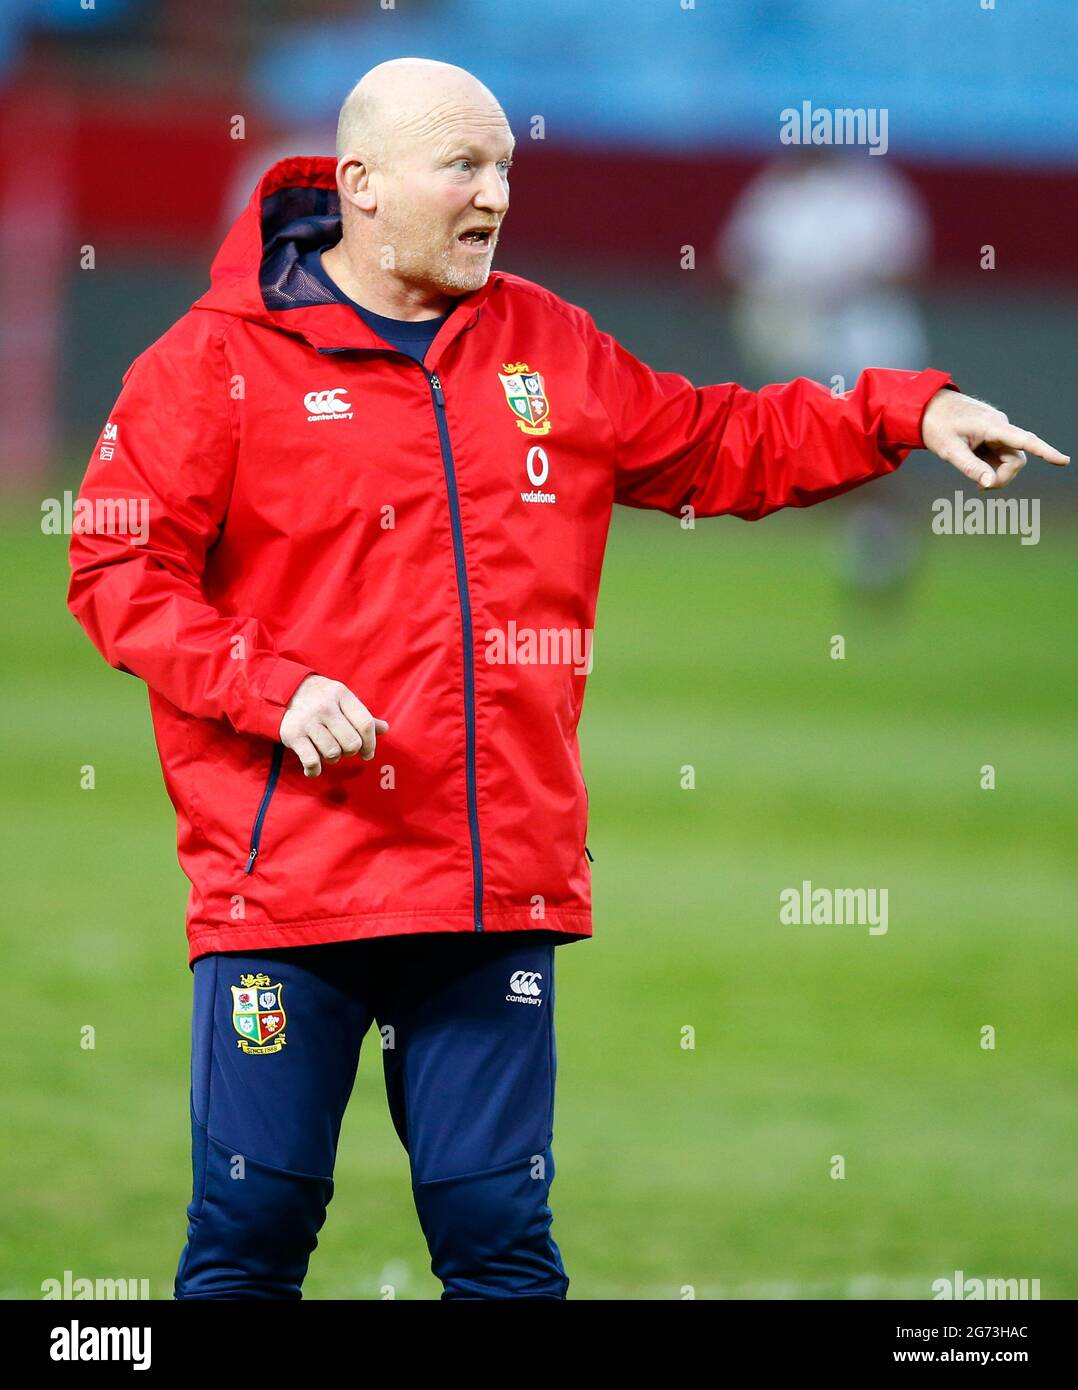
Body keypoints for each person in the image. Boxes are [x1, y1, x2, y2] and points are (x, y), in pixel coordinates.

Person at [66, 58, 1068, 1301]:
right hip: (290, 885)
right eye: (464, 168)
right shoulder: (212, 362)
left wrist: (898, 414)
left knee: (499, 1249)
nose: (494, 196)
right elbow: (118, 566)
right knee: (249, 1241)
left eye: (505, 169)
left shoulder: (544, 342)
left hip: (492, 885)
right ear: (362, 185)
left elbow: (719, 441)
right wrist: (270, 689)